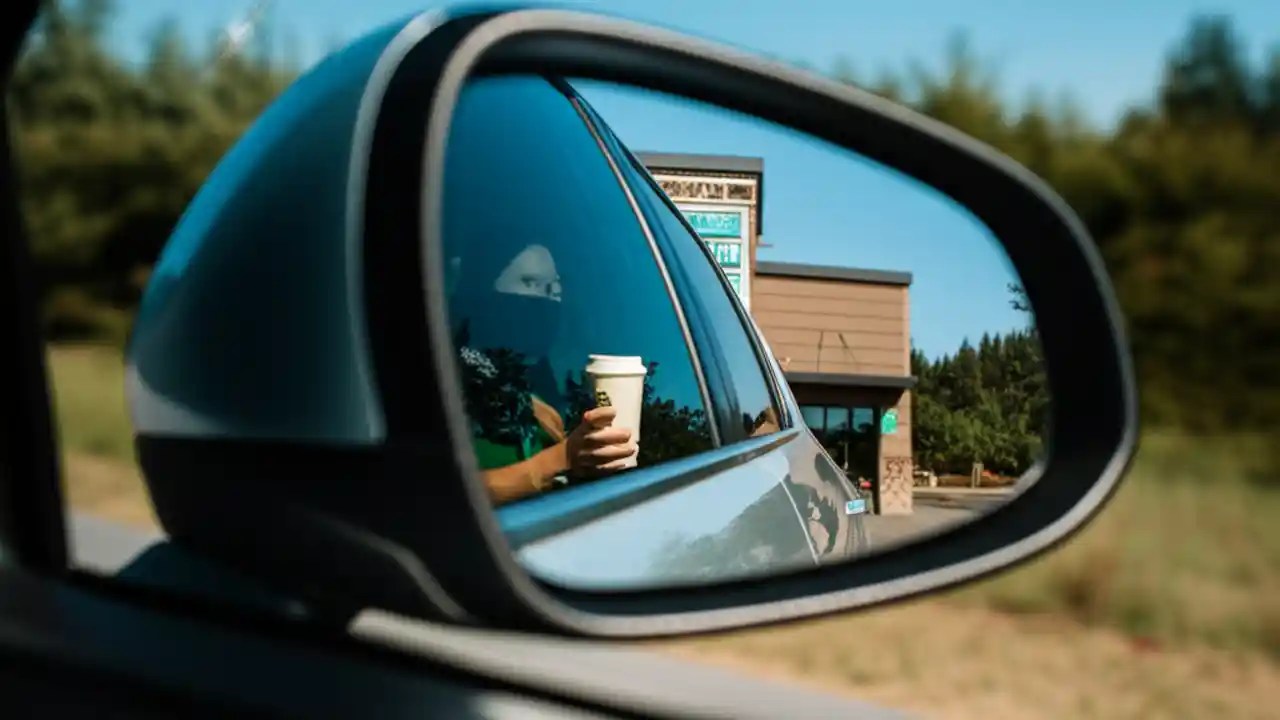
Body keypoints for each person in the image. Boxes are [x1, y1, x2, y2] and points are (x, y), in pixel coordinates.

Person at [449, 242, 638, 506]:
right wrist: (560, 460)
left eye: (554, 288)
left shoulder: (556, 382)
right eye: (530, 283)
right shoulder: (446, 381)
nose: (546, 299)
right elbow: (434, 496)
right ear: (482, 288)